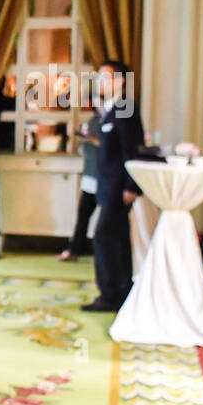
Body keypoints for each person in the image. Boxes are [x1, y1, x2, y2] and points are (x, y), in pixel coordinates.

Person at [82, 59, 144, 311]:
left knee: (103, 237)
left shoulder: (126, 108)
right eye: (99, 77)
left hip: (120, 187)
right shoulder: (109, 108)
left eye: (106, 77)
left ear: (121, 81)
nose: (101, 82)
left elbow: (132, 150)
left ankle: (109, 295)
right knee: (117, 238)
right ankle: (122, 292)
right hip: (107, 184)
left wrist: (132, 186)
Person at [59, 105, 102, 261]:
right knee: (83, 215)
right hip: (90, 174)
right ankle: (76, 248)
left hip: (104, 177)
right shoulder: (94, 120)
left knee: (106, 220)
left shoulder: (115, 119)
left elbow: (110, 146)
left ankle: (102, 252)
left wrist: (93, 140)